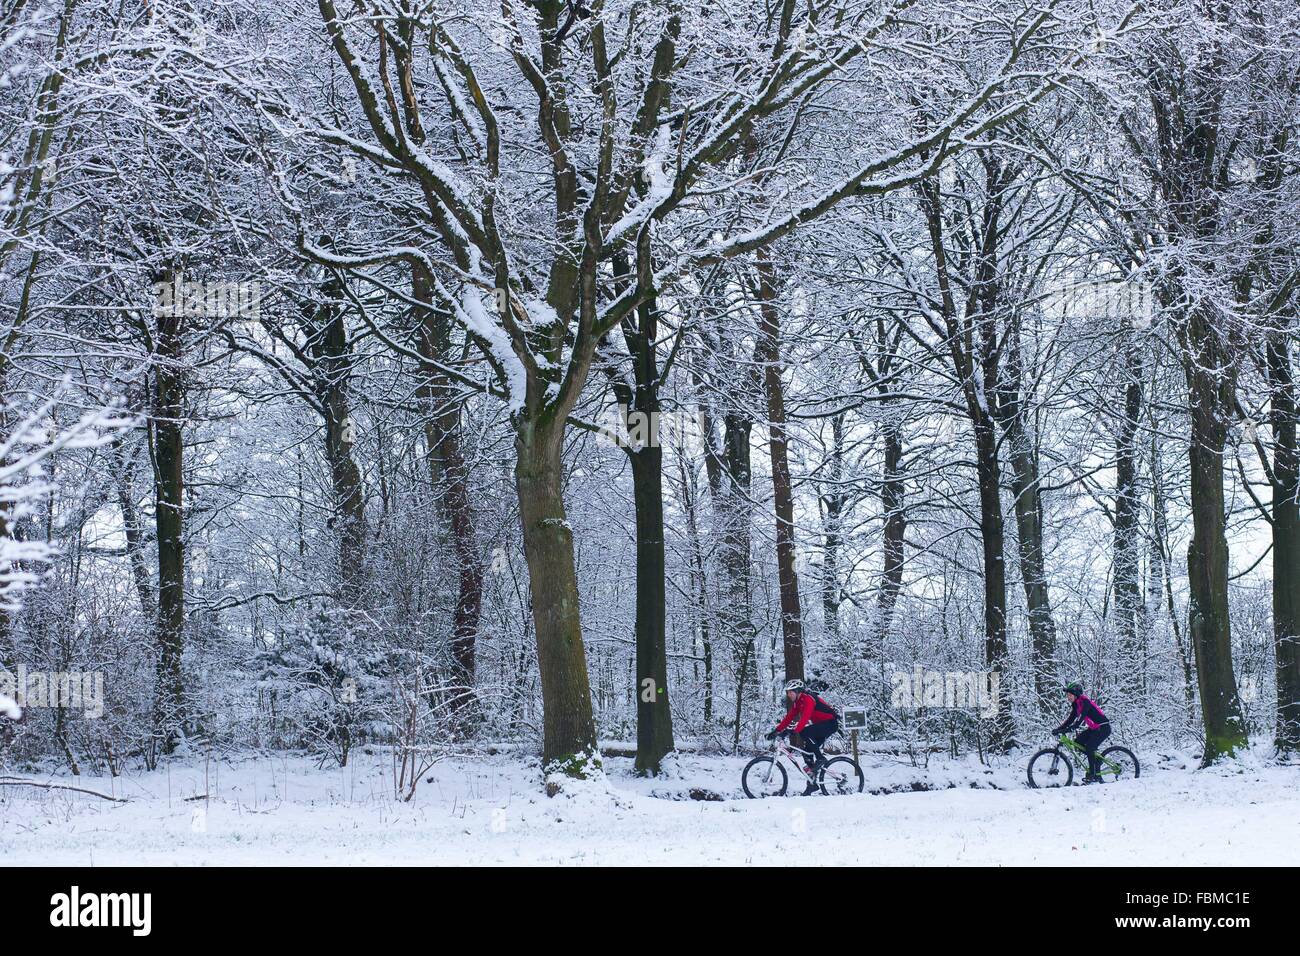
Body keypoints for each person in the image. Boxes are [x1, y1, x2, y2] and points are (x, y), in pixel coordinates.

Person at [766, 678, 839, 794]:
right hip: (821, 725)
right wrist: (776, 731)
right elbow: (789, 717)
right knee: (806, 752)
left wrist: (792, 731)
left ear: (798, 691)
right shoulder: (797, 703)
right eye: (788, 692)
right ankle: (812, 784)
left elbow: (805, 717)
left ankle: (820, 758)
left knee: (805, 731)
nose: (789, 695)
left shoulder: (808, 698)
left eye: (791, 692)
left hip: (830, 723)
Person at [1053, 681, 1110, 783]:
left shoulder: (1085, 702)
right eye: (1067, 695)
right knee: (1077, 743)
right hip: (1094, 728)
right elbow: (1070, 719)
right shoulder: (1076, 704)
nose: (1068, 697)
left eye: (1070, 695)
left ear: (1076, 694)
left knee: (1089, 747)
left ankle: (1092, 774)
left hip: (1103, 728)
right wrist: (1059, 729)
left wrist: (1072, 728)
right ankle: (1095, 761)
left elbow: (1080, 719)